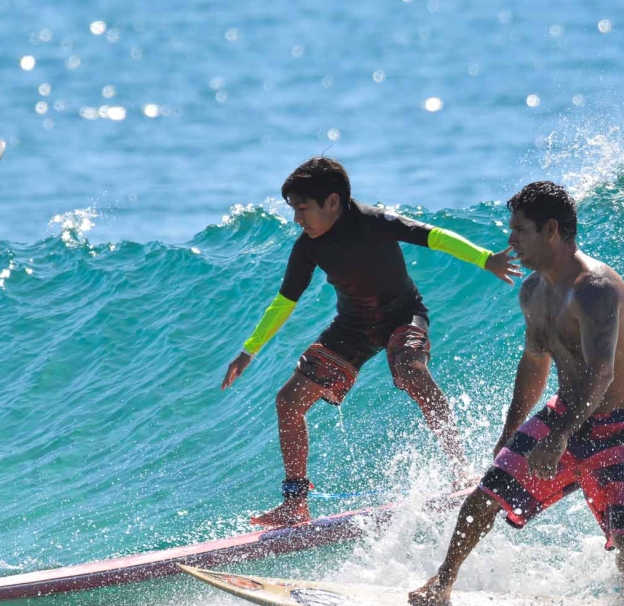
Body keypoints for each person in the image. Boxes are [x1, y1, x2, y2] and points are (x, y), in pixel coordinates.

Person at [222, 157, 521, 527]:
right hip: (353, 326)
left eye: (302, 209)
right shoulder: (308, 246)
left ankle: (462, 470)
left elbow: (434, 237)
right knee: (288, 401)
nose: (297, 219)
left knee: (411, 370)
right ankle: (295, 503)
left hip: (403, 314)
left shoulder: (375, 221)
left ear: (332, 201)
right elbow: (285, 301)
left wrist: (486, 259)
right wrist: (249, 351)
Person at [409, 181, 624, 606]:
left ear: (551, 230)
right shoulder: (533, 293)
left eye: (520, 230)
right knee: (486, 495)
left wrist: (560, 435)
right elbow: (534, 363)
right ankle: (442, 583)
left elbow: (602, 372)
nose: (511, 241)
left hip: (621, 420)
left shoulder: (595, 289)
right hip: (568, 413)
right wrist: (510, 432)